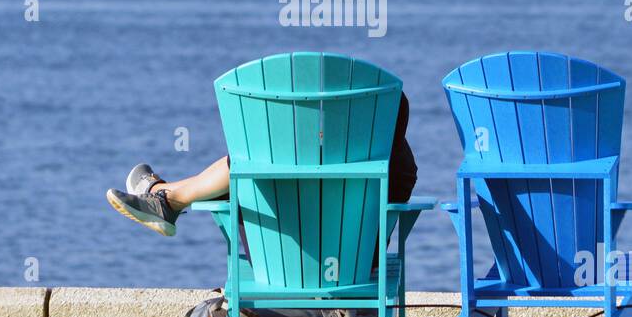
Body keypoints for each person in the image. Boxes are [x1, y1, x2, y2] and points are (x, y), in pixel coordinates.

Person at [107, 94, 418, 237]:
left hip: (278, 265)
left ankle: (165, 195)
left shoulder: (315, 163)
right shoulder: (402, 173)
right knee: (260, 171)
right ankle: (164, 196)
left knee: (251, 167)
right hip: (360, 269)